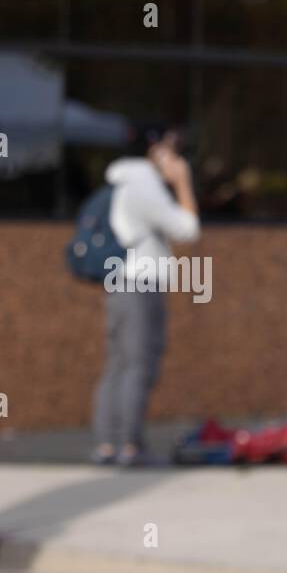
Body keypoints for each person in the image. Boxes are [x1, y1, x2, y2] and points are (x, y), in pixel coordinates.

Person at [91, 125, 199, 467]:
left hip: (122, 284)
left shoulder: (123, 181)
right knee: (138, 365)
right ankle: (129, 446)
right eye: (171, 150)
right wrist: (182, 181)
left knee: (119, 364)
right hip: (140, 286)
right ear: (154, 152)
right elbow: (188, 229)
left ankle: (109, 444)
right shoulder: (142, 186)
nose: (176, 157)